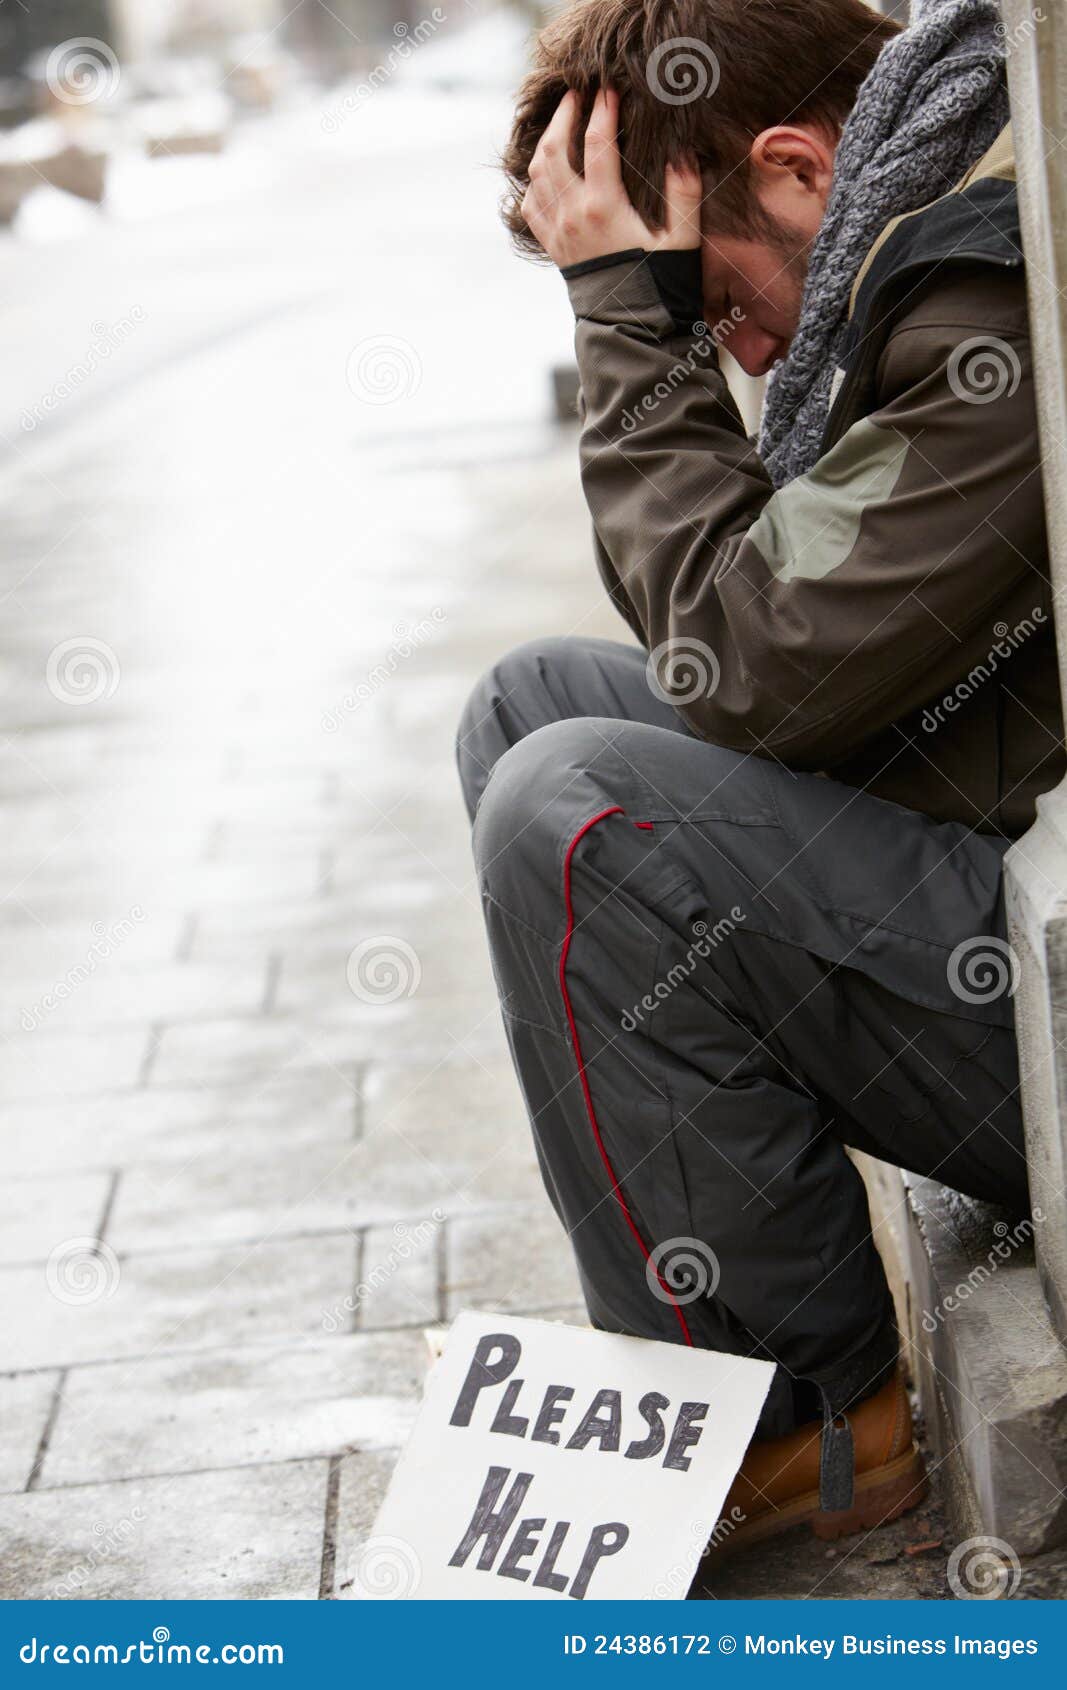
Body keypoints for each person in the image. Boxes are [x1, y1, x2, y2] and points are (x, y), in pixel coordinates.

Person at [456, 0, 1055, 1547]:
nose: (735, 348)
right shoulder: (924, 225)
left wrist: (627, 322)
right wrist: (651, 308)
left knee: (581, 815)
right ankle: (736, 1348)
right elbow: (759, 650)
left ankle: (804, 1422)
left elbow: (744, 658)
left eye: (713, 296)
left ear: (796, 167)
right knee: (530, 707)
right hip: (1009, 852)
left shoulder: (993, 292)